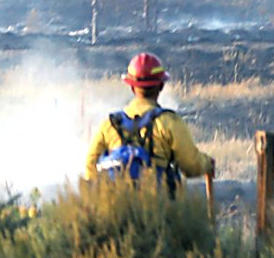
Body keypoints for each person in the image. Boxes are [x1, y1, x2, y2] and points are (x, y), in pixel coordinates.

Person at [84, 52, 215, 191]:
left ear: (132, 87)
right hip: (159, 205)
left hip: (114, 205)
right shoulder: (170, 122)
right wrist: (207, 163)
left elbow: (90, 166)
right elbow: (190, 166)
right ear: (161, 86)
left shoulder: (109, 125)